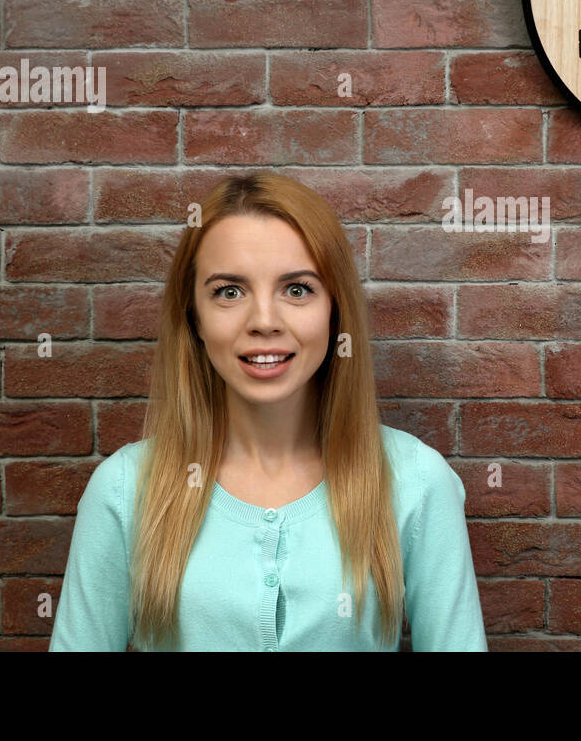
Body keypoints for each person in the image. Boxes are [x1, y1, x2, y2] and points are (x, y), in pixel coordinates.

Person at [49, 171, 487, 651]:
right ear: (193, 316)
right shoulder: (124, 489)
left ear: (334, 310)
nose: (263, 322)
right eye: (229, 292)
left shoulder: (417, 483)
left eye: (297, 290)